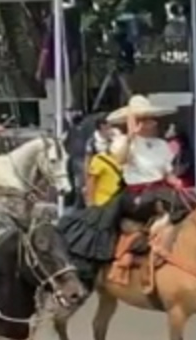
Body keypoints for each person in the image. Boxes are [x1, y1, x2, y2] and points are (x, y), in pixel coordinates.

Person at [57, 95, 187, 280]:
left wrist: (175, 181)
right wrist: (131, 136)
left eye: (150, 119)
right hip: (136, 193)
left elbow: (167, 173)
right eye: (144, 119)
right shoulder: (122, 142)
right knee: (163, 202)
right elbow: (120, 160)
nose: (151, 123)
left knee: (191, 202)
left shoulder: (162, 145)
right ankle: (151, 240)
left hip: (161, 189)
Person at [84, 143, 123, 208]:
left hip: (116, 203)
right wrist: (90, 202)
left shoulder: (124, 164)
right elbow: (91, 181)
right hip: (101, 203)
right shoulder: (100, 159)